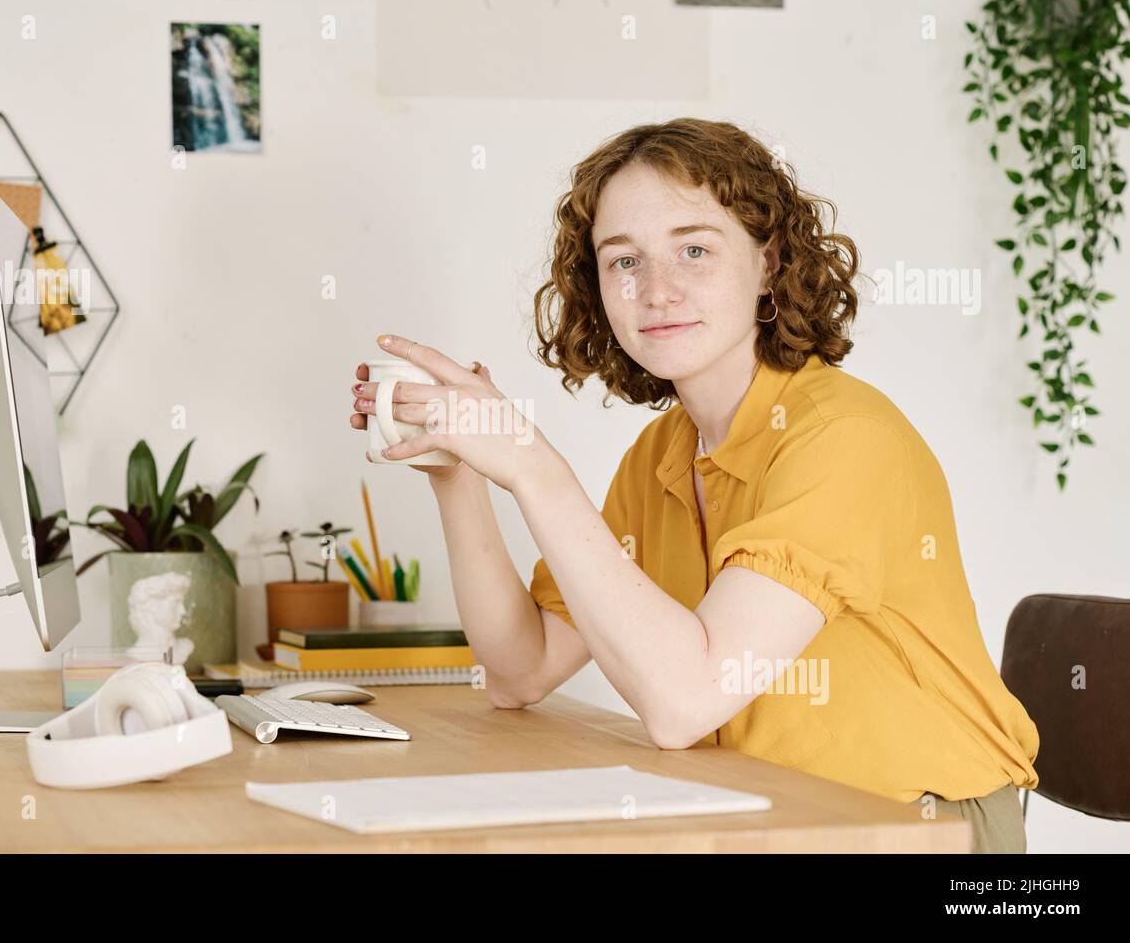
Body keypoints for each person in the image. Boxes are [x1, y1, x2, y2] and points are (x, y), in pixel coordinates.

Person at [348, 118, 1038, 853]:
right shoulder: (662, 455)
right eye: (624, 262)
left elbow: (683, 704)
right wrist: (458, 474)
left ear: (768, 262)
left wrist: (531, 464)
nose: (658, 290)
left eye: (696, 249)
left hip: (920, 829)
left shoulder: (846, 440)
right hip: (764, 815)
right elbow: (520, 671)